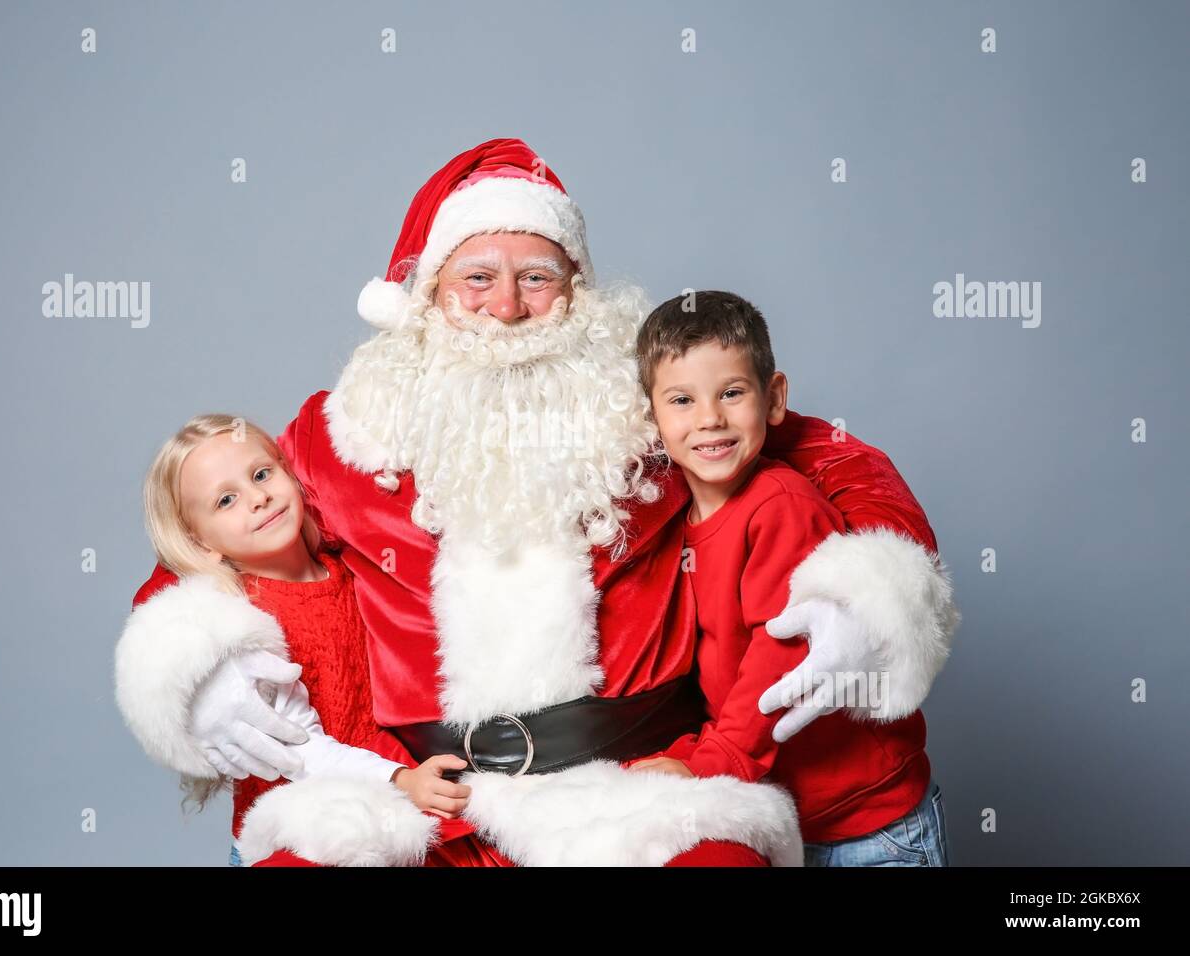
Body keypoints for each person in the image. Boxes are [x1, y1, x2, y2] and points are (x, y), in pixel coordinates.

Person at [115, 137, 958, 867]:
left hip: (636, 788)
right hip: (427, 801)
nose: (508, 308)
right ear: (428, 293)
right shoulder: (340, 434)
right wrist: (194, 660)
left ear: (578, 291)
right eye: (477, 277)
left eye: (537, 278)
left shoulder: (657, 408)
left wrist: (870, 585)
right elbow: (206, 529)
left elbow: (832, 457)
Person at [626, 291, 949, 866]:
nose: (710, 419)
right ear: (650, 418)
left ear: (773, 400)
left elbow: (780, 653)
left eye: (732, 392)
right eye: (682, 400)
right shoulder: (675, 519)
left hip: (867, 822)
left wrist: (714, 763)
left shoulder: (780, 504)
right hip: (783, 813)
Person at [123, 412, 468, 865]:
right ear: (200, 541)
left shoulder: (348, 568)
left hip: (378, 813)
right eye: (226, 500)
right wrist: (400, 779)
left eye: (262, 474)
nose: (259, 498)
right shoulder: (243, 626)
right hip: (298, 832)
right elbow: (299, 752)